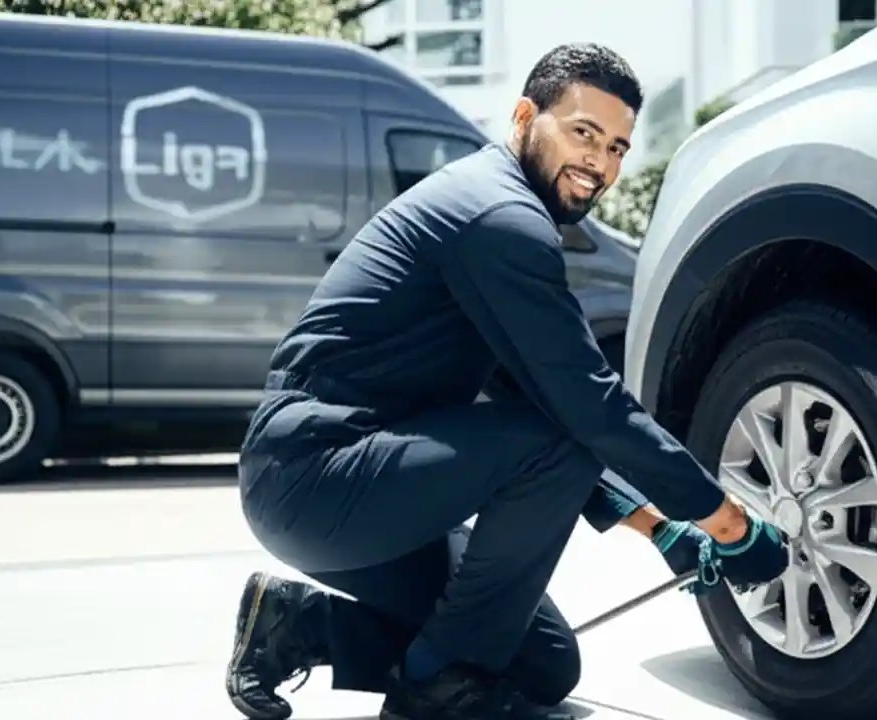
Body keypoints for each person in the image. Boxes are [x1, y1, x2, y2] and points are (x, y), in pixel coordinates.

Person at [226, 42, 789, 720]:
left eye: (616, 147)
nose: (600, 164)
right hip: (318, 478)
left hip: (347, 486)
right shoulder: (500, 217)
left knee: (542, 663)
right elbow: (588, 409)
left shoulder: (493, 206)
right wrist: (727, 522)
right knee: (557, 460)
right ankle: (431, 694)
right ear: (526, 116)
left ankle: (298, 626)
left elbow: (535, 399)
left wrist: (661, 528)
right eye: (584, 133)